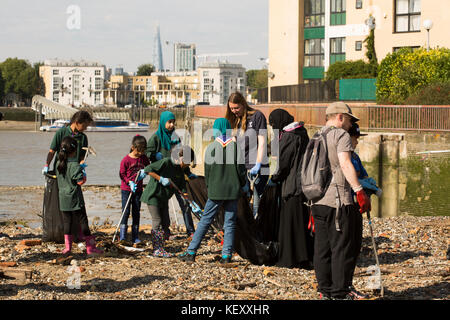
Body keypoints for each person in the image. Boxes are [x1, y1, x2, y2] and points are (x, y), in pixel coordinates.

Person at [311, 102, 371, 300]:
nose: (350, 125)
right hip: (338, 201)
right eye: (349, 120)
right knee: (341, 248)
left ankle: (324, 290)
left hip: (317, 200)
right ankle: (340, 292)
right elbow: (345, 164)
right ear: (340, 117)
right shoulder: (341, 135)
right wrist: (359, 191)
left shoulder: (316, 135)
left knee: (322, 248)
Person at [178, 118, 247, 263]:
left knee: (205, 221)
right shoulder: (235, 147)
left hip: (216, 191)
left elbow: (208, 173)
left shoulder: (210, 148)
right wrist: (242, 185)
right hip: (232, 190)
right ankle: (226, 256)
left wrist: (210, 187)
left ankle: (191, 252)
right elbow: (241, 171)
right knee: (229, 222)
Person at [268, 109, 314, 269]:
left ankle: (289, 258)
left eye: (273, 124)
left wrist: (274, 178)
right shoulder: (302, 132)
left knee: (289, 223)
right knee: (301, 223)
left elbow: (282, 164)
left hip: (292, 185)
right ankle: (305, 256)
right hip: (305, 184)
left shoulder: (288, 136)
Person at [146, 110, 197, 238]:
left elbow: (183, 156)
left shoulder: (175, 137)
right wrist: (154, 155)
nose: (171, 125)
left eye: (173, 122)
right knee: (163, 205)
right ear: (163, 122)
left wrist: (188, 173)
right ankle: (166, 231)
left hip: (177, 175)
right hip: (163, 176)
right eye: (169, 122)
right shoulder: (155, 138)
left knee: (185, 203)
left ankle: (190, 230)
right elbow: (147, 154)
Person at [139, 145, 196, 257]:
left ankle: (161, 245)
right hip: (153, 195)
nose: (188, 165)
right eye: (187, 162)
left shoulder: (180, 169)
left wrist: (188, 200)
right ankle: (157, 249)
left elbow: (182, 186)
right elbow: (148, 169)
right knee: (157, 221)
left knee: (166, 222)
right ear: (181, 158)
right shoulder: (166, 162)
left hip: (164, 197)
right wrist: (160, 179)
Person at [56, 136, 103, 256]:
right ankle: (90, 248)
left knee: (68, 223)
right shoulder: (74, 166)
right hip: (75, 199)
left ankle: (67, 248)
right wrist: (82, 172)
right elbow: (80, 182)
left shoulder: (58, 164)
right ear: (74, 151)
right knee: (83, 222)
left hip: (63, 198)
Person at [225, 92, 269, 217]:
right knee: (241, 201)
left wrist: (258, 163)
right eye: (231, 108)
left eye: (236, 108)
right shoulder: (233, 120)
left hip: (256, 166)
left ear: (243, 104)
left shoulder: (257, 117)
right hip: (241, 167)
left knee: (257, 202)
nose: (234, 111)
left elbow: (262, 142)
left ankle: (258, 229)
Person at [119, 135, 150, 244]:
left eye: (142, 151)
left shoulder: (143, 158)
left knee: (136, 211)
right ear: (133, 147)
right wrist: (129, 182)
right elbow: (121, 174)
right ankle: (122, 235)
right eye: (138, 151)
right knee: (126, 211)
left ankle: (135, 236)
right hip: (127, 189)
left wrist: (144, 172)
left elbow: (149, 167)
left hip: (138, 189)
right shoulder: (126, 160)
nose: (140, 153)